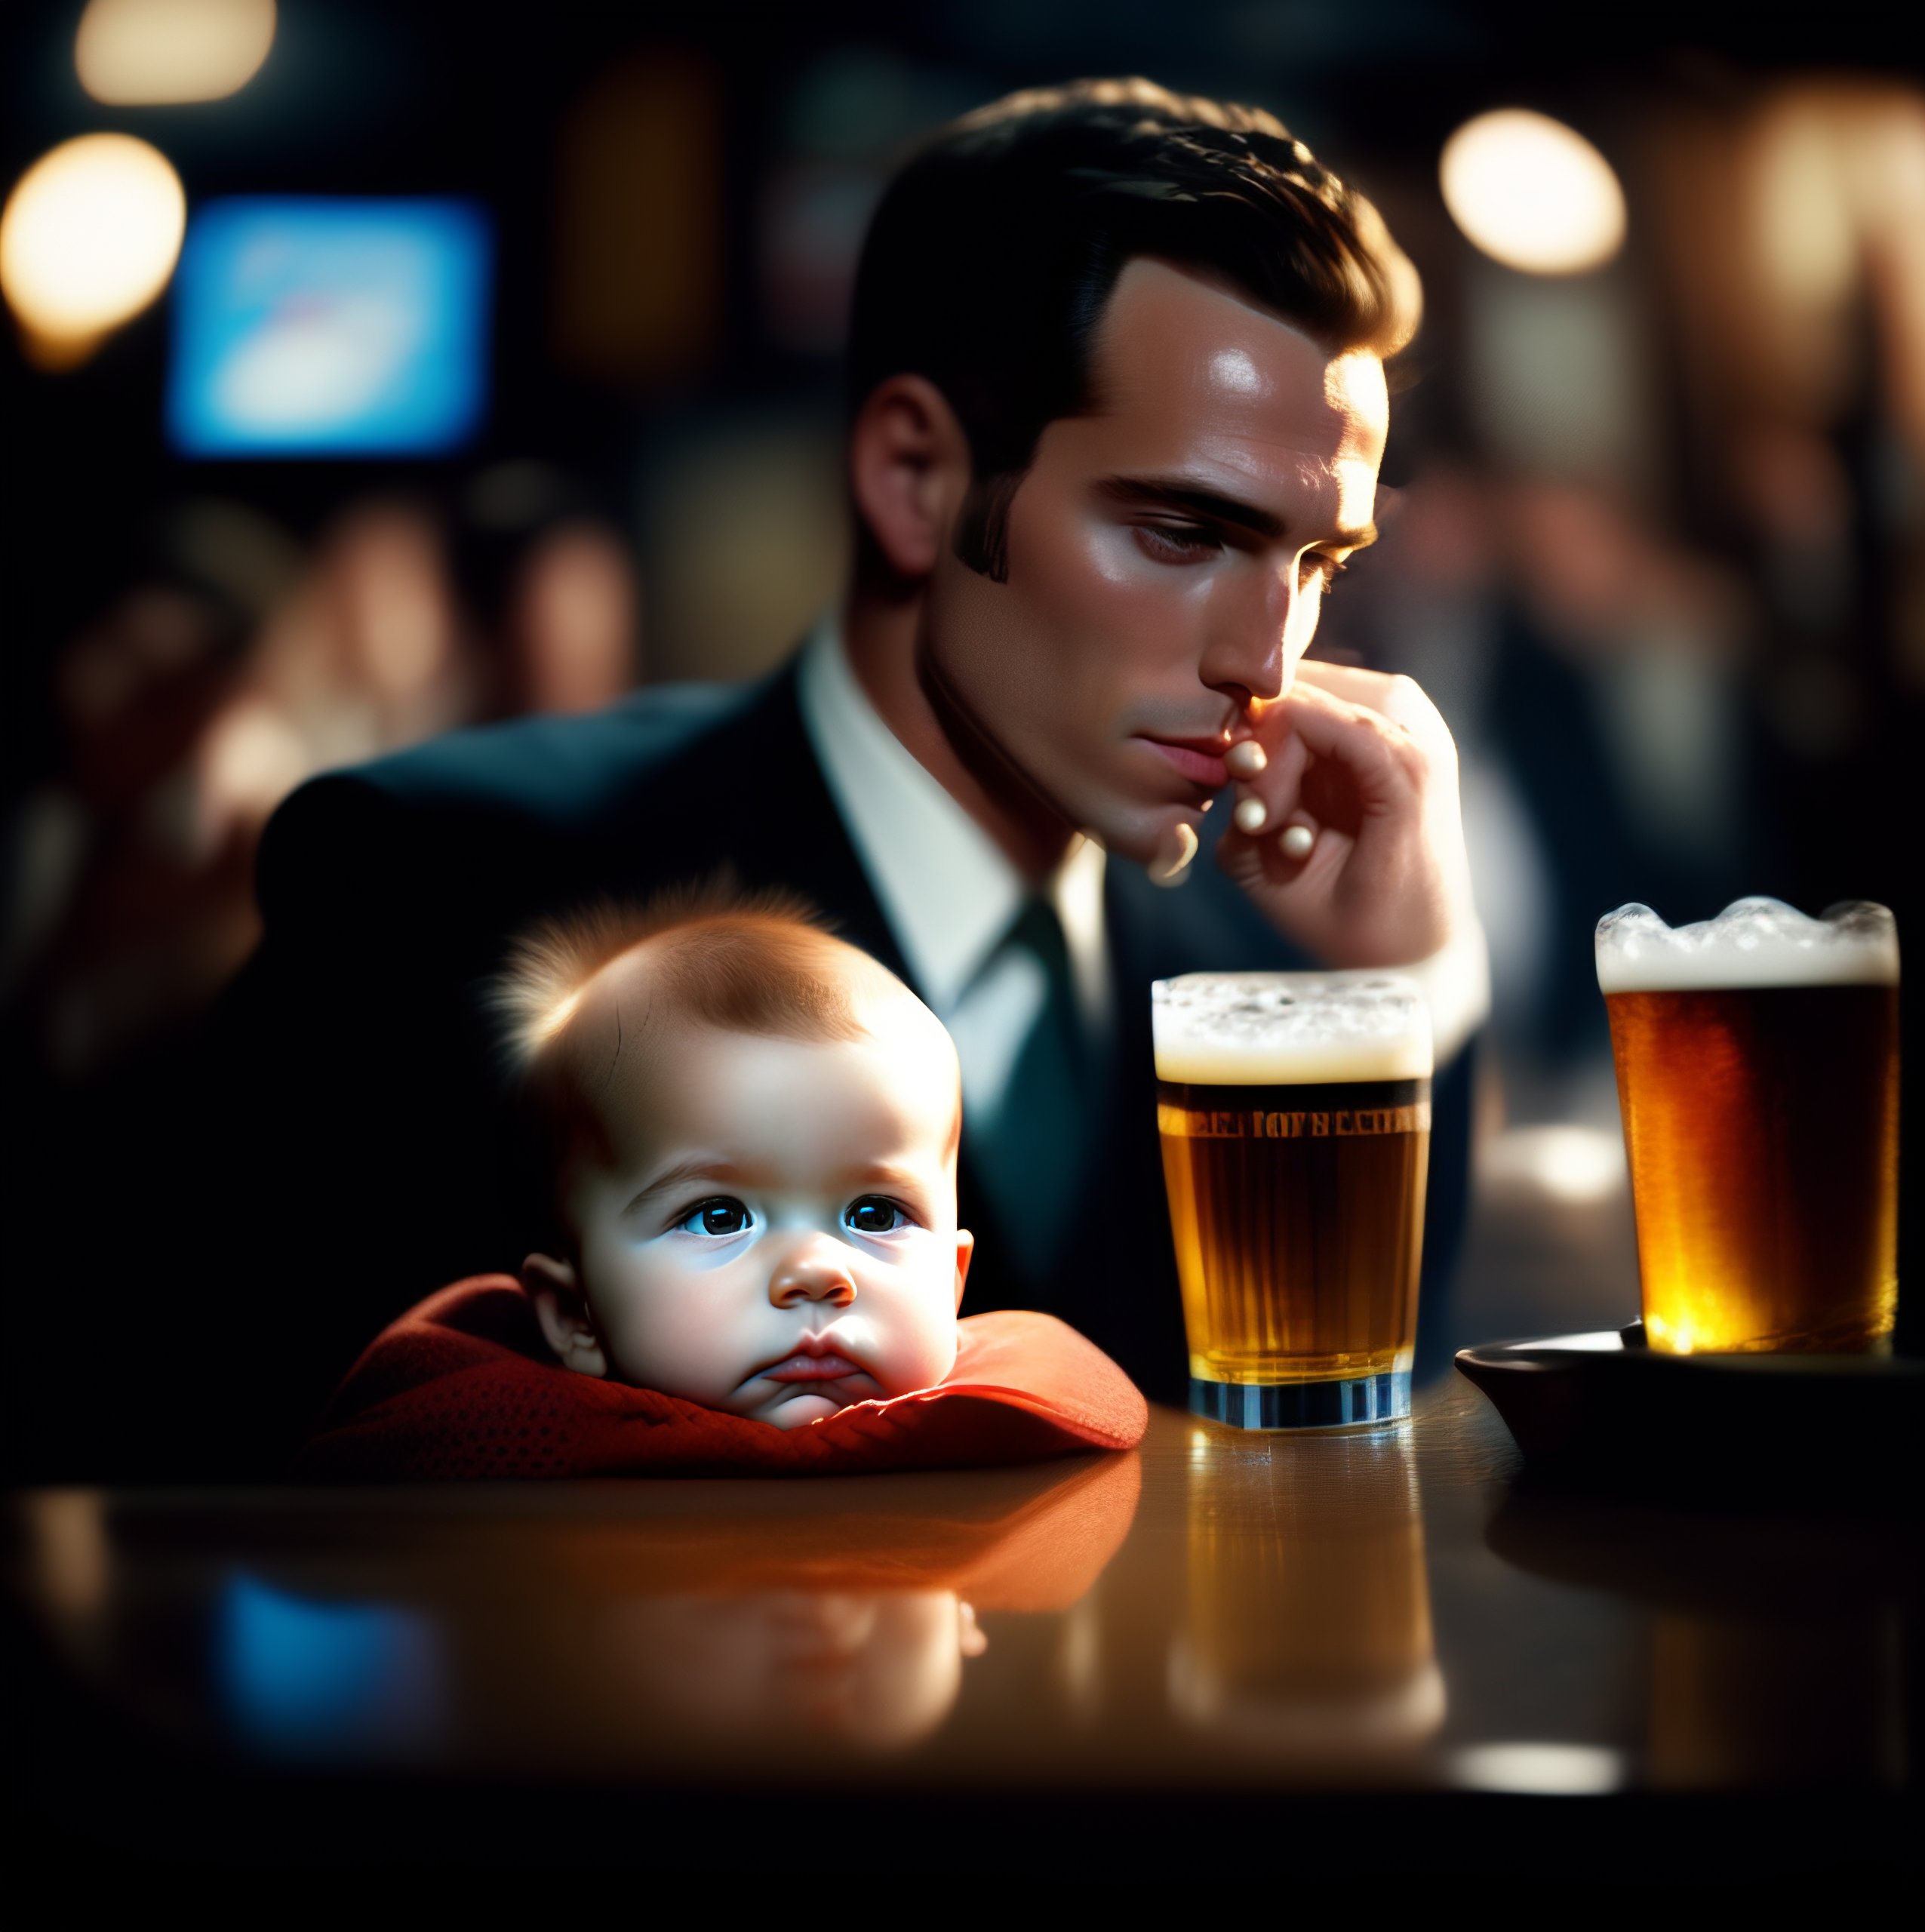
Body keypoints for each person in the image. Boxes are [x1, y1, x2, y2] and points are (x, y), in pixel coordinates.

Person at [201, 78, 1486, 1472]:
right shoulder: (445, 886)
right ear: (915, 478)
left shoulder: (1273, 962)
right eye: (1182, 532)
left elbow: (1334, 1468)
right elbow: (224, 1519)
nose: (1267, 654)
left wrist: (1410, 988)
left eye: (1316, 564)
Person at [301, 895, 1144, 1477]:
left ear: (954, 1282)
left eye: (874, 1212)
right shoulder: (489, 1444)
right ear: (576, 1316)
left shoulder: (1008, 1421)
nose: (816, 1273)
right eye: (717, 1215)